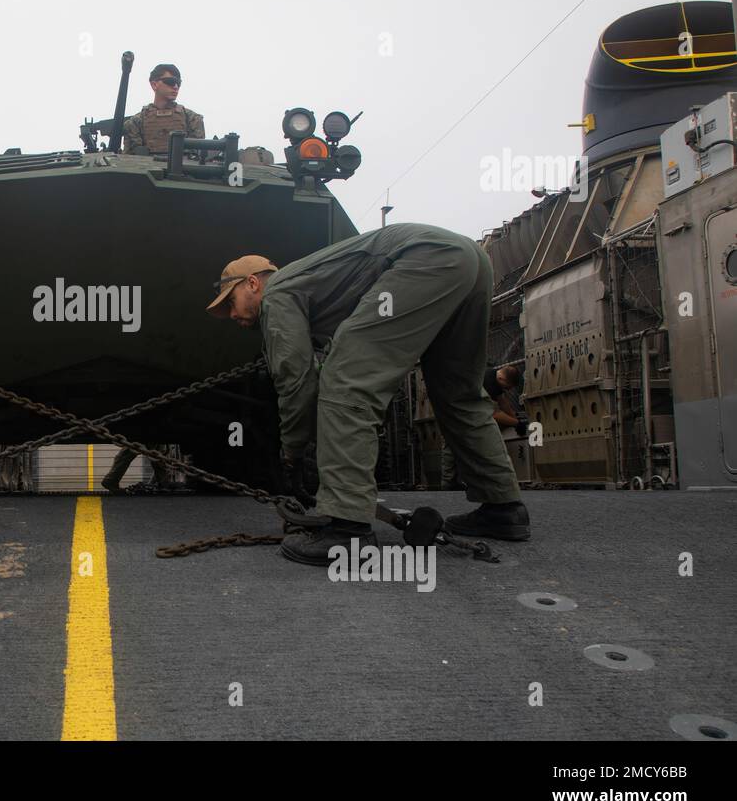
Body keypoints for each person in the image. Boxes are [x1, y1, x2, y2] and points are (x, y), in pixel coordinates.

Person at [206, 223, 530, 567]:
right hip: (469, 260)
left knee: (345, 380)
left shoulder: (277, 295)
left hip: (425, 259)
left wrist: (292, 452)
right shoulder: (311, 283)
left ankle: (348, 531)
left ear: (253, 283)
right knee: (460, 391)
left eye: (231, 303)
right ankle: (503, 508)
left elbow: (296, 381)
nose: (232, 315)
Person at [441, 365, 525, 487]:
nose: (507, 390)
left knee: (463, 445)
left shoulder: (495, 378)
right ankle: (448, 482)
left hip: (464, 409)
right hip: (453, 409)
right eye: (507, 387)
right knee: (451, 444)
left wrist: (515, 418)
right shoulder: (486, 382)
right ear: (502, 379)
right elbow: (494, 414)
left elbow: (503, 402)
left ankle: (456, 480)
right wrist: (516, 423)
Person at [121, 63, 205, 155]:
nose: (175, 87)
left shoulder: (192, 119)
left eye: (178, 83)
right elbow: (131, 159)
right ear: (154, 85)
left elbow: (197, 156)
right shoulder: (135, 123)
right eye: (170, 82)